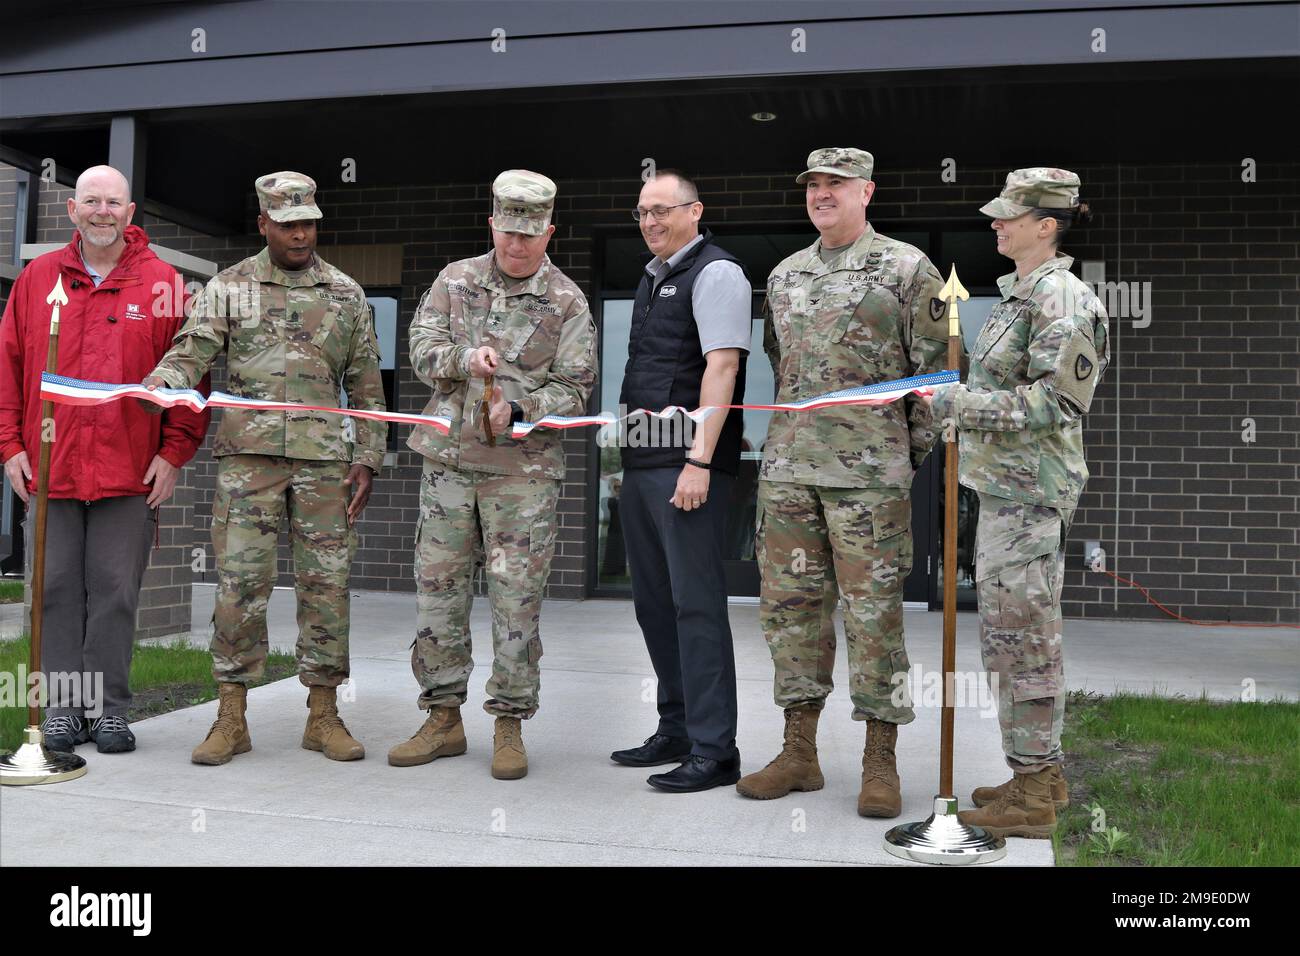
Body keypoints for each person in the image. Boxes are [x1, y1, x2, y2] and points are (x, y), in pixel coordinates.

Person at [143, 171, 387, 765]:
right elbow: (192, 348)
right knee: (240, 585)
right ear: (264, 224)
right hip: (247, 463)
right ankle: (231, 715)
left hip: (325, 463)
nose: (300, 234)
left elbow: (368, 385)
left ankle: (324, 714)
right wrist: (161, 383)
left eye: (308, 223)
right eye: (287, 223)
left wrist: (369, 457)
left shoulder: (346, 294)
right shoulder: (230, 287)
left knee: (326, 585)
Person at [737, 148, 949, 817]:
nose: (822, 194)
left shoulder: (911, 268)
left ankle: (879, 758)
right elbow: (783, 366)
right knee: (790, 613)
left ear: (867, 191)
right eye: (813, 185)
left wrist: (898, 456)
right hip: (790, 473)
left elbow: (938, 378)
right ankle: (800, 752)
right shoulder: (784, 274)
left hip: (868, 482)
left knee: (873, 617)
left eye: (835, 184)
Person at [390, 170, 596, 780]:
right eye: (508, 234)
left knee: (515, 602)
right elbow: (421, 346)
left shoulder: (567, 302)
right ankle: (442, 719)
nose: (516, 247)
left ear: (549, 233)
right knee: (439, 593)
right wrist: (461, 358)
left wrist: (525, 408)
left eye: (529, 238)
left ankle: (509, 724)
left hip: (522, 476)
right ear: (492, 226)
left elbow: (578, 386)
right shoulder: (456, 279)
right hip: (449, 465)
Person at [0, 165, 210, 754]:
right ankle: (63, 710)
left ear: (130, 211)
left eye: (112, 203)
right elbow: (9, 366)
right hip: (51, 464)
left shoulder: (163, 283)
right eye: (90, 201)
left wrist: (173, 453)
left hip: (129, 471)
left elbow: (191, 378)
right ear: (72, 210)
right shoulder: (38, 279)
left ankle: (109, 710)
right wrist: (11, 446)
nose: (101, 212)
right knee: (57, 589)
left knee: (116, 591)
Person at [926, 167, 1108, 838]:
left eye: (1008, 215)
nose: (995, 223)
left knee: (1020, 643)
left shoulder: (1061, 299)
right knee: (1019, 637)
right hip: (1008, 491)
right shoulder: (1021, 295)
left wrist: (957, 402)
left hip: (1028, 496)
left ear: (1047, 225)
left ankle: (1032, 796)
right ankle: (1042, 773)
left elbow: (1055, 403)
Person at [607, 169, 750, 793]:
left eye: (662, 211)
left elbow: (720, 370)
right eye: (641, 212)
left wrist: (697, 461)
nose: (650, 223)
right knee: (655, 605)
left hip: (685, 468)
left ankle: (716, 749)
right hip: (643, 462)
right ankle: (678, 727)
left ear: (695, 211)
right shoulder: (650, 279)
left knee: (696, 607)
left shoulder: (717, 273)